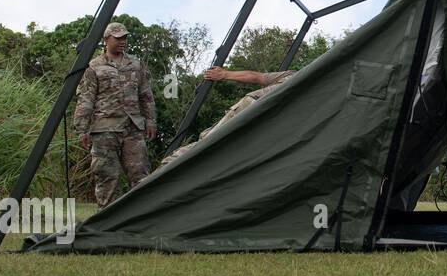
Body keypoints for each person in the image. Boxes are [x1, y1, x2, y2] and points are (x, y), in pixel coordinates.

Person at [73, 22, 155, 207]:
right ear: (106, 39)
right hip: (104, 130)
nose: (122, 41)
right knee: (107, 176)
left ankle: (142, 217)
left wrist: (150, 121)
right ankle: (106, 223)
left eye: (125, 37)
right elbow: (86, 99)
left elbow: (145, 95)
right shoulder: (93, 66)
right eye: (118, 38)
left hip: (133, 128)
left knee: (141, 175)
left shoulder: (135, 64)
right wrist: (82, 129)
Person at [161, 66, 294, 164]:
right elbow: (257, 77)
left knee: (215, 144)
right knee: (210, 142)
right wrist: (224, 74)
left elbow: (257, 77)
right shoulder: (298, 76)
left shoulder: (295, 75)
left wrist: (225, 74)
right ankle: (169, 165)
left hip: (256, 112)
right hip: (253, 109)